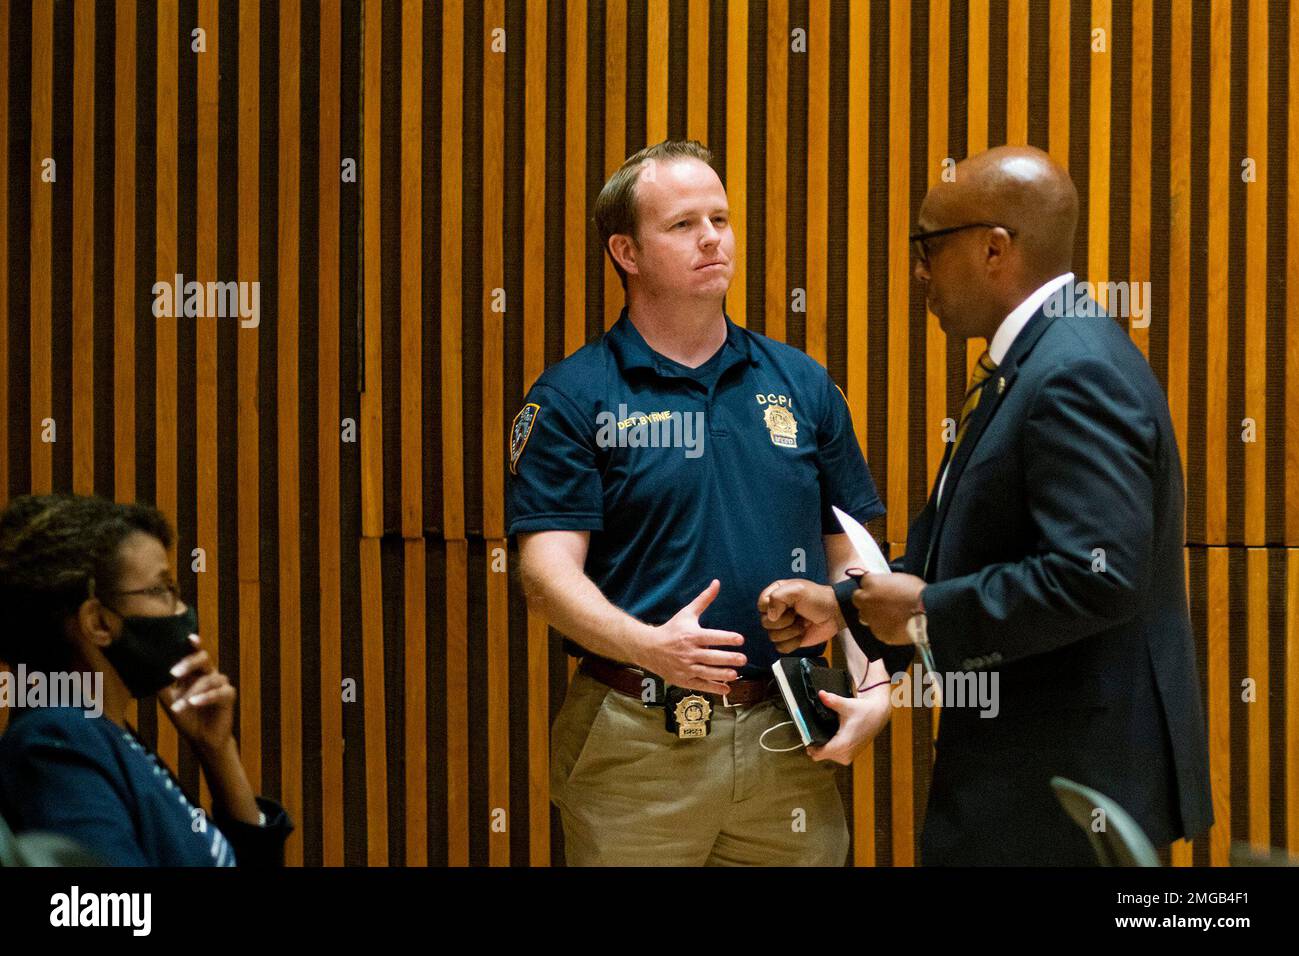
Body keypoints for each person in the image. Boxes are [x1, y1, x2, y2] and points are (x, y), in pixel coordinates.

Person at [759, 145, 1214, 865]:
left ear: (996, 248)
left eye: (929, 247)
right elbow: (991, 551)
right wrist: (844, 607)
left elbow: (1099, 575)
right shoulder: (1040, 360)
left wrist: (926, 610)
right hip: (1042, 775)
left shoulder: (1073, 370)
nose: (918, 272)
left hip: (1063, 788)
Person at [507, 139, 894, 866]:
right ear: (626, 250)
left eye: (720, 217)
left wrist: (874, 678)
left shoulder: (802, 384)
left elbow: (852, 550)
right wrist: (647, 646)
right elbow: (545, 575)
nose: (713, 237)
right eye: (683, 224)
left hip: (788, 732)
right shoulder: (573, 397)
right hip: (636, 741)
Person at [0, 493, 293, 866]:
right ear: (98, 622)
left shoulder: (107, 735)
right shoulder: (58, 742)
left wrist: (217, 750)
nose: (182, 610)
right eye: (161, 591)